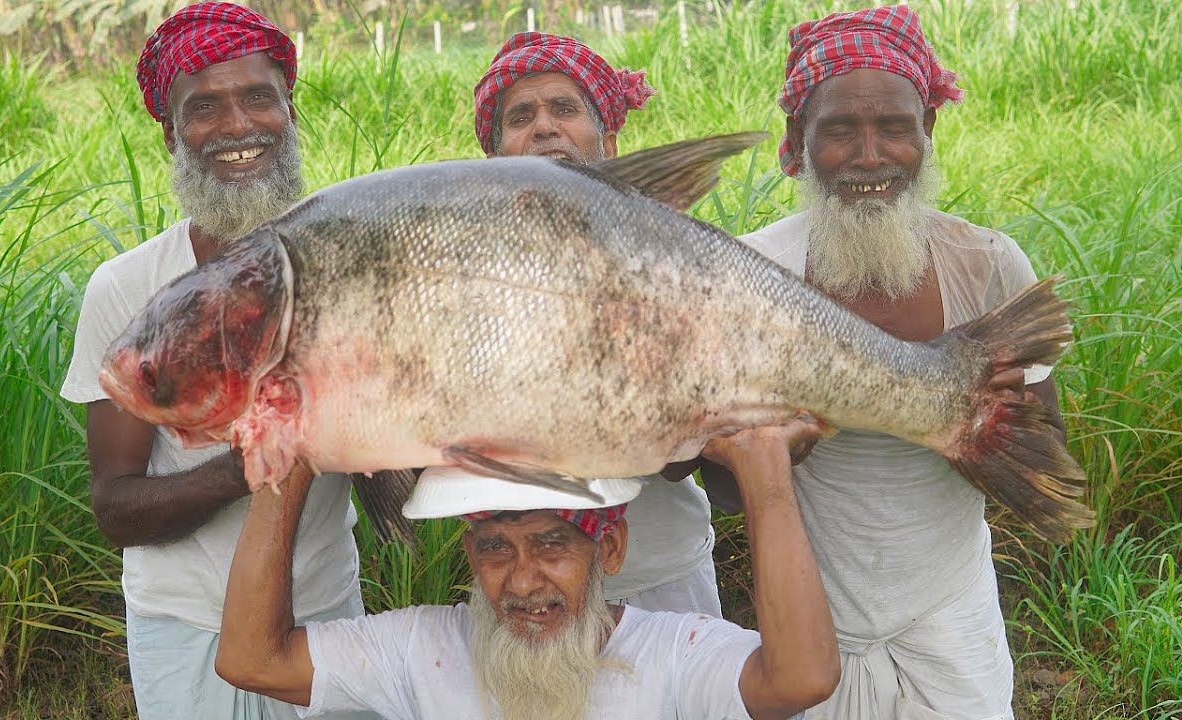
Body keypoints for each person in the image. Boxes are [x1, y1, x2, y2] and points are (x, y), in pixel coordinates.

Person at [737, 6, 1066, 718]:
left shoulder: (986, 265)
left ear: (928, 131)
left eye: (893, 127)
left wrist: (974, 430)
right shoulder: (752, 272)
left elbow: (1047, 457)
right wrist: (769, 449)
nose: (869, 155)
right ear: (798, 140)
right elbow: (721, 487)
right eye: (838, 131)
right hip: (811, 622)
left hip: (953, 617)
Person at [60, 4, 370, 718]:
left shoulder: (351, 251)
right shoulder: (129, 288)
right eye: (204, 107)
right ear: (171, 132)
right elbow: (116, 507)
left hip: (323, 613)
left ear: (289, 111)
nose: (237, 127)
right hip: (184, 629)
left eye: (259, 97)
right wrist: (256, 461)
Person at [214, 420, 840, 720]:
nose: (522, 581)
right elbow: (251, 661)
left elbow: (802, 679)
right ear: (470, 556)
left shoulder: (675, 652)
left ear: (611, 551)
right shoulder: (421, 648)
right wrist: (285, 464)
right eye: (495, 549)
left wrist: (764, 471)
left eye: (551, 546)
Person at [471, 31, 725, 616]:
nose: (543, 128)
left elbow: (688, 453)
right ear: (493, 156)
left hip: (662, 578)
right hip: (519, 585)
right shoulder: (467, 269)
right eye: (520, 116)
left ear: (607, 138)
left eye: (565, 109)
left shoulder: (673, 255)